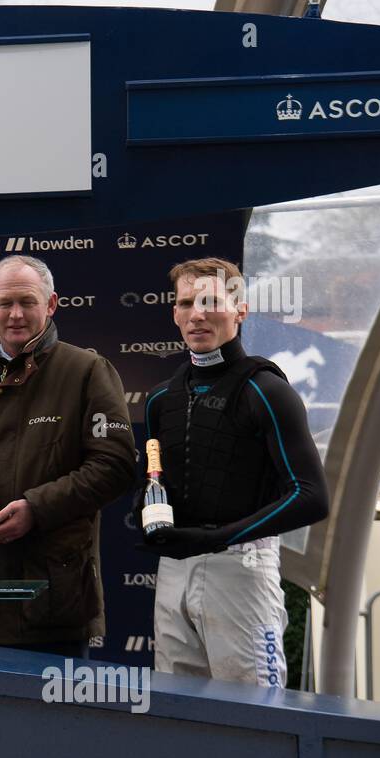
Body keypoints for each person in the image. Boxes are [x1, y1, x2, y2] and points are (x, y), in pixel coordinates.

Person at [141, 257, 329, 686]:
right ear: (174, 313)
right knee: (177, 711)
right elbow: (156, 482)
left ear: (240, 310)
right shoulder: (160, 399)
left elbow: (312, 496)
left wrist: (217, 537)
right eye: (186, 303)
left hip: (242, 567)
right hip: (174, 568)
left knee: (255, 714)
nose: (198, 314)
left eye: (210, 301)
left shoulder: (266, 390)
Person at [0, 255, 135, 655]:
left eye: (27, 302)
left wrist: (36, 507)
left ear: (51, 304)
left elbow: (115, 466)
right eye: (5, 303)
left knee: (53, 718)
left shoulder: (86, 369)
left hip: (54, 599)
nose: (15, 314)